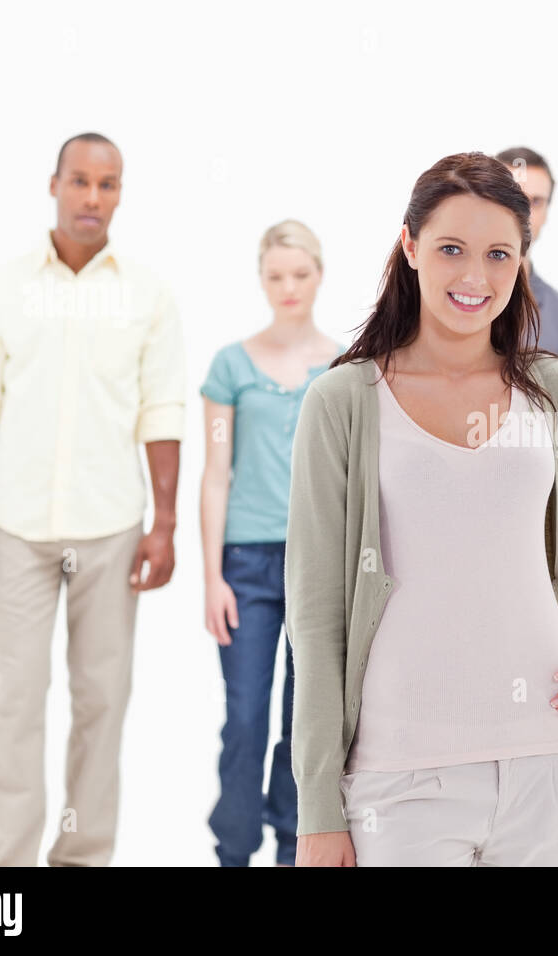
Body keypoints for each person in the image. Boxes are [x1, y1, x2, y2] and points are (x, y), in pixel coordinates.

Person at [285, 152, 558, 867]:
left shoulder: (553, 392)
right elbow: (314, 615)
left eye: (499, 254)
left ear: (523, 261)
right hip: (398, 778)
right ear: (409, 247)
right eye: (451, 249)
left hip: (555, 766)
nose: (474, 277)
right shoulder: (342, 402)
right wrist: (317, 807)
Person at [0, 132, 186, 866]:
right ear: (53, 183)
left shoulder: (148, 295)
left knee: (102, 702)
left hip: (113, 525)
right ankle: (12, 866)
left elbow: (163, 413)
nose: (93, 197)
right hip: (18, 527)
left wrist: (166, 523)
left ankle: (82, 857)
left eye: (108, 184)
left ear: (120, 193)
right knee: (17, 702)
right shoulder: (1, 290)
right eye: (80, 181)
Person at [199, 219, 344, 866]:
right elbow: (216, 470)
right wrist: (212, 578)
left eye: (301, 274)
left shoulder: (343, 367)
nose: (288, 288)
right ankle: (233, 846)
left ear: (319, 275)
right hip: (248, 565)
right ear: (261, 279)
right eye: (275, 276)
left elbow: (353, 476)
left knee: (306, 722)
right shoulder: (232, 365)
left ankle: (294, 845)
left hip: (319, 563)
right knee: (247, 718)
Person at [495, 146, 558, 390]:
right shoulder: (441, 296)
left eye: (536, 202)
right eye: (513, 196)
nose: (524, 212)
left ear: (547, 212)